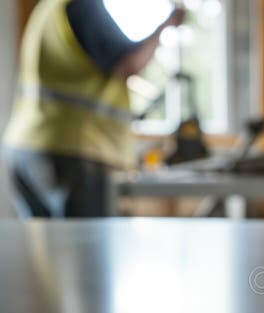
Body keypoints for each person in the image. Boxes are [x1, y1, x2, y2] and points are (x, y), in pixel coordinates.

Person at [2, 0, 186, 218]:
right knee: (89, 248)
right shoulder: (81, 4)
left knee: (45, 248)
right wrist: (167, 24)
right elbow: (128, 63)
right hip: (75, 148)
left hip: (26, 145)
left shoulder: (48, 9)